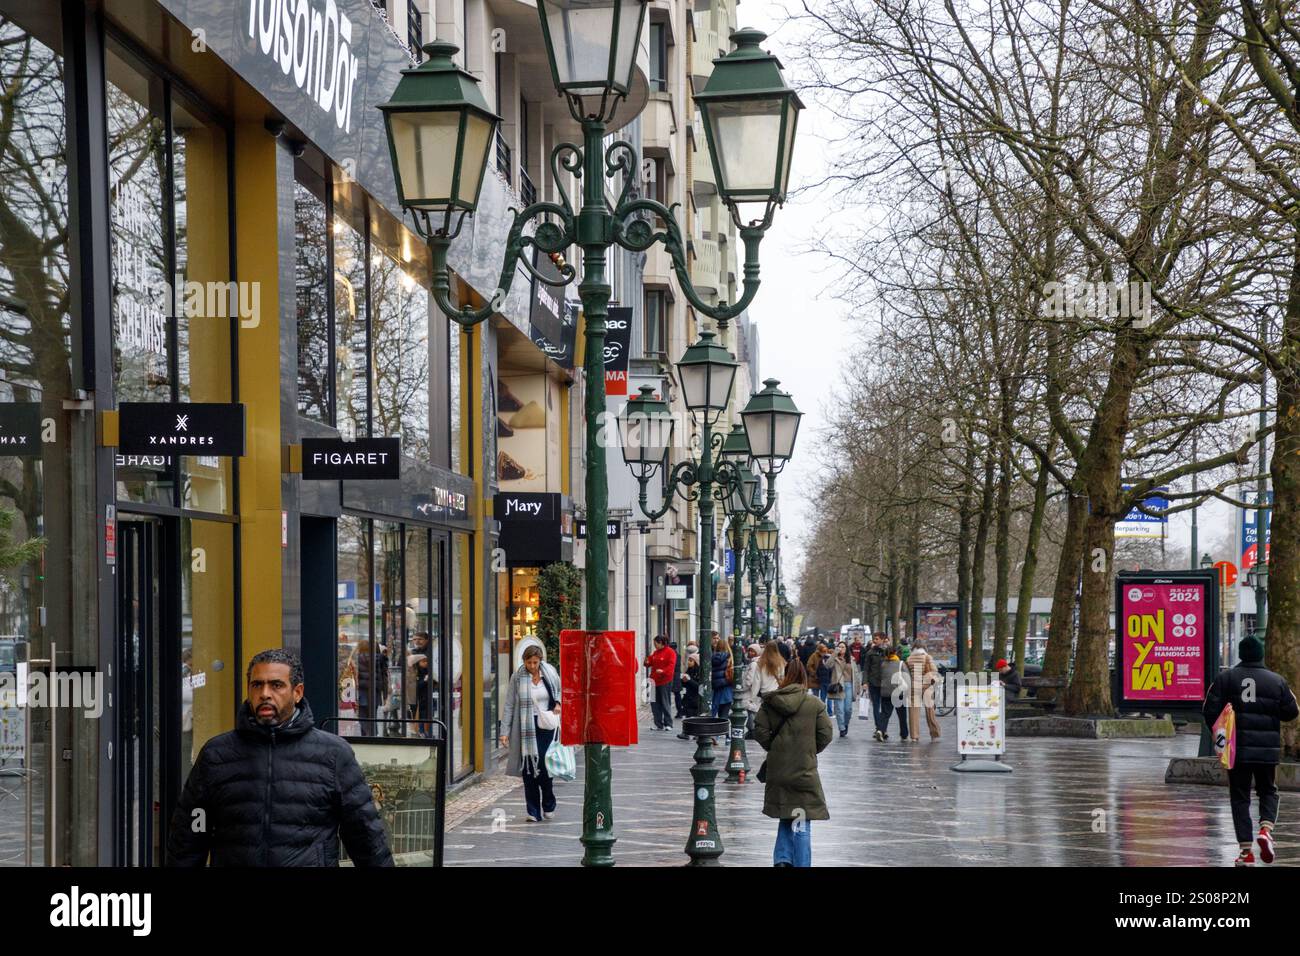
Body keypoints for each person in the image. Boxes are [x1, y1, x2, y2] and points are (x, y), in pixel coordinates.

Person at [167, 648, 393, 866]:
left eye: (276, 685)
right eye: (257, 685)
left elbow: (365, 836)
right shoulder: (217, 754)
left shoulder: (333, 754)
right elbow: (189, 837)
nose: (264, 694)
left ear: (297, 692)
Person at [1202, 635, 1299, 865]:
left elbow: (1209, 709)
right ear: (1261, 654)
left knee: (1240, 797)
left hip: (1237, 750)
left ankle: (1246, 852)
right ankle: (1266, 829)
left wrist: (1220, 734)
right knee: (1268, 790)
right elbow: (1292, 711)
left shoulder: (1225, 678)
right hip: (1267, 750)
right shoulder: (1276, 681)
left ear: (1241, 654)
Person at [753, 657, 833, 867]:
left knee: (785, 813)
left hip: (779, 770)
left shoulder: (770, 702)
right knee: (800, 819)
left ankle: (782, 859)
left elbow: (759, 730)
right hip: (803, 770)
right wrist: (809, 750)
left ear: (785, 676)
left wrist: (775, 747)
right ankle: (801, 863)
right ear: (804, 678)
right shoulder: (814, 704)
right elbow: (826, 734)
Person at [499, 645, 563, 823]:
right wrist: (504, 731)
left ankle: (548, 802)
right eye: (529, 662)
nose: (532, 666)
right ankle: (533, 811)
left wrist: (558, 703)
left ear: (540, 660)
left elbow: (560, 692)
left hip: (546, 725)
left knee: (543, 764)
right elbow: (510, 704)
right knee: (528, 769)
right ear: (524, 661)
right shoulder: (517, 677)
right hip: (525, 727)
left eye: (535, 662)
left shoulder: (550, 673)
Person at [744, 641, 786, 736]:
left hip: (764, 693)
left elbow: (756, 682)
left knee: (764, 713)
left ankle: (764, 731)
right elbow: (782, 678)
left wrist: (753, 697)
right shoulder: (781, 662)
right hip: (775, 692)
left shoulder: (761, 663)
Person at [906, 639, 942, 740]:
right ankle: (934, 733)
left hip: (914, 686)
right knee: (930, 711)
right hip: (926, 687)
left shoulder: (909, 658)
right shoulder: (927, 657)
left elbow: (907, 673)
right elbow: (934, 670)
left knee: (913, 712)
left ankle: (914, 736)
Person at [644, 635, 678, 731]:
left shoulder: (670, 652)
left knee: (664, 702)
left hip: (664, 680)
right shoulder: (655, 652)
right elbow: (649, 662)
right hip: (654, 680)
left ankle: (668, 723)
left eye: (656, 643)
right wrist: (647, 661)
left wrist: (663, 671)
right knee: (654, 703)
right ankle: (658, 723)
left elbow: (671, 666)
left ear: (661, 643)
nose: (655, 645)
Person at [878, 645, 910, 741]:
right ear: (895, 653)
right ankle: (904, 734)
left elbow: (880, 677)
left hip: (885, 692)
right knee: (902, 715)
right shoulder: (900, 664)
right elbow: (907, 677)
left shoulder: (883, 664)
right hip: (898, 692)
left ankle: (881, 730)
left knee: (885, 714)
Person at [831, 643, 858, 737]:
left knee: (848, 709)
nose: (841, 649)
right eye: (839, 647)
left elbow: (856, 673)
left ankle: (846, 724)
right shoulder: (834, 658)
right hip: (839, 686)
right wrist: (834, 653)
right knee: (839, 709)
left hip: (849, 685)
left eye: (843, 647)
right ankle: (841, 728)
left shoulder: (851, 659)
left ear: (846, 649)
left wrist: (858, 687)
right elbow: (827, 665)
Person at [864, 634, 888, 740]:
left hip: (886, 684)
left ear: (883, 640)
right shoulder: (870, 653)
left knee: (885, 708)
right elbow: (866, 669)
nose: (874, 640)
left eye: (877, 639)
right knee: (876, 707)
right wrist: (865, 682)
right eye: (874, 639)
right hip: (874, 683)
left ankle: (882, 729)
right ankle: (879, 728)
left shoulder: (888, 652)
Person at [678, 652, 704, 739]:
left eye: (691, 660)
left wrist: (689, 680)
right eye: (688, 660)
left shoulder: (700, 673)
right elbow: (685, 685)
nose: (688, 662)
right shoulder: (688, 671)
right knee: (687, 716)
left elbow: (699, 687)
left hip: (696, 698)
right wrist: (683, 680)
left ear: (696, 662)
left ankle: (697, 733)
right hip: (688, 697)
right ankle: (685, 733)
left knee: (696, 717)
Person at [711, 633, 735, 718]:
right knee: (723, 717)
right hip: (726, 690)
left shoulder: (711, 658)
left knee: (712, 715)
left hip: (715, 690)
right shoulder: (729, 658)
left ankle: (712, 730)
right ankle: (722, 730)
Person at [670, 640, 685, 718]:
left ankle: (679, 711)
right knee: (677, 695)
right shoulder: (678, 655)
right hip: (676, 677)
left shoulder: (673, 655)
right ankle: (680, 711)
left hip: (673, 677)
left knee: (675, 696)